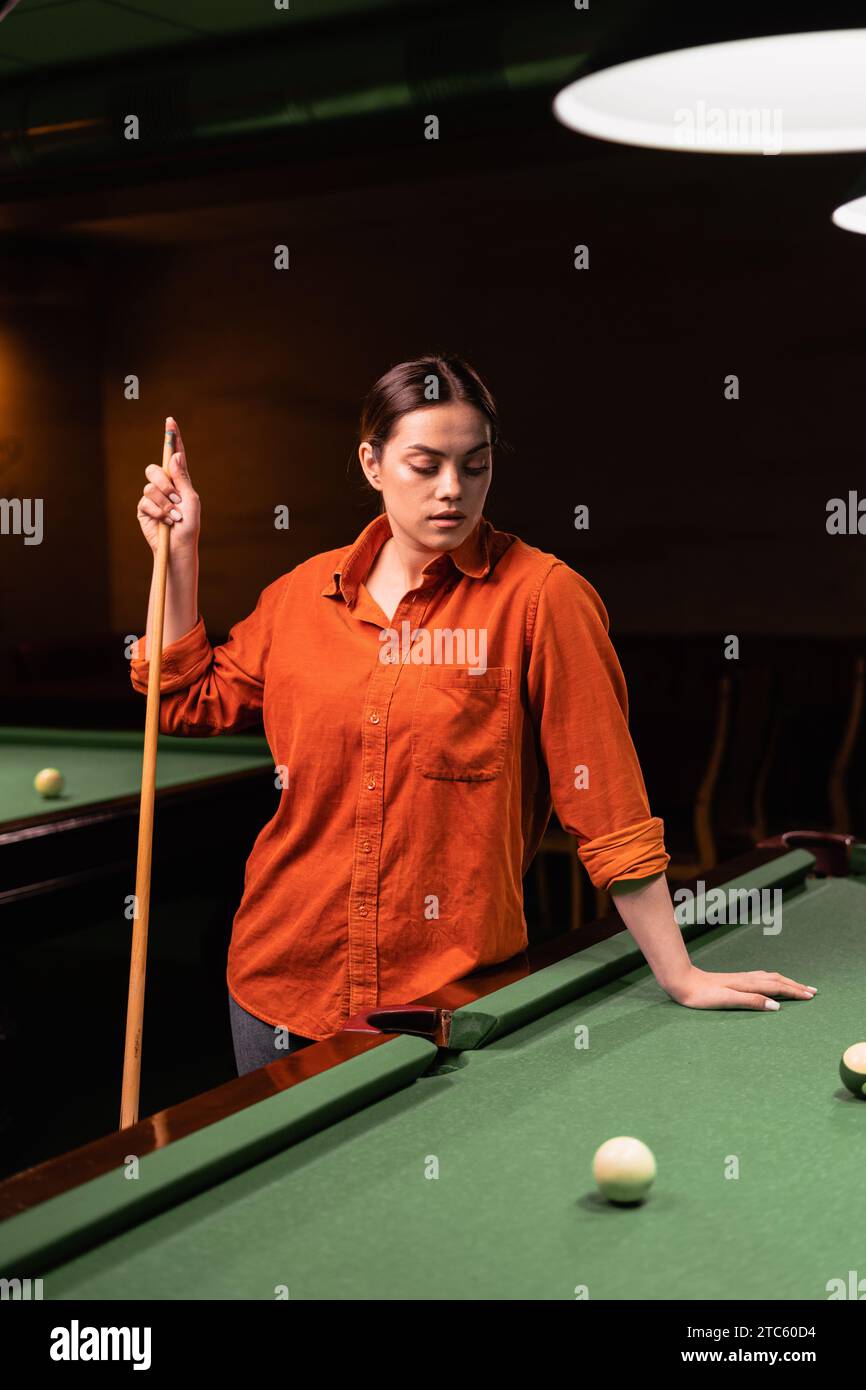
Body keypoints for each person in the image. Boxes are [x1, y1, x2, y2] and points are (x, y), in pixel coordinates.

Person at [131, 354, 815, 1075]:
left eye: (475, 465)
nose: (453, 490)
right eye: (425, 465)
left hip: (445, 1001)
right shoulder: (303, 596)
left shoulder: (543, 599)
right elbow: (184, 702)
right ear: (372, 463)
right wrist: (180, 556)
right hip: (277, 983)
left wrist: (680, 974)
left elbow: (609, 807)